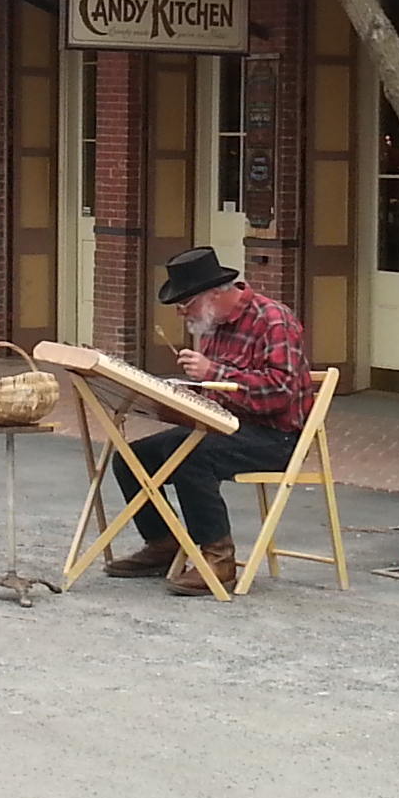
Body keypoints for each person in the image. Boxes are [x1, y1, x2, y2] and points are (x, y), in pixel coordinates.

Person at [106, 246, 313, 593]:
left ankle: (218, 559)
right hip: (223, 428)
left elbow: (281, 391)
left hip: (275, 437)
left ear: (214, 293)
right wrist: (175, 396)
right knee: (130, 457)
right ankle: (163, 544)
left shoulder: (273, 319)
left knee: (193, 456)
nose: (181, 314)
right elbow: (213, 396)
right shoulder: (214, 325)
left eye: (186, 305)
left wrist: (213, 372)